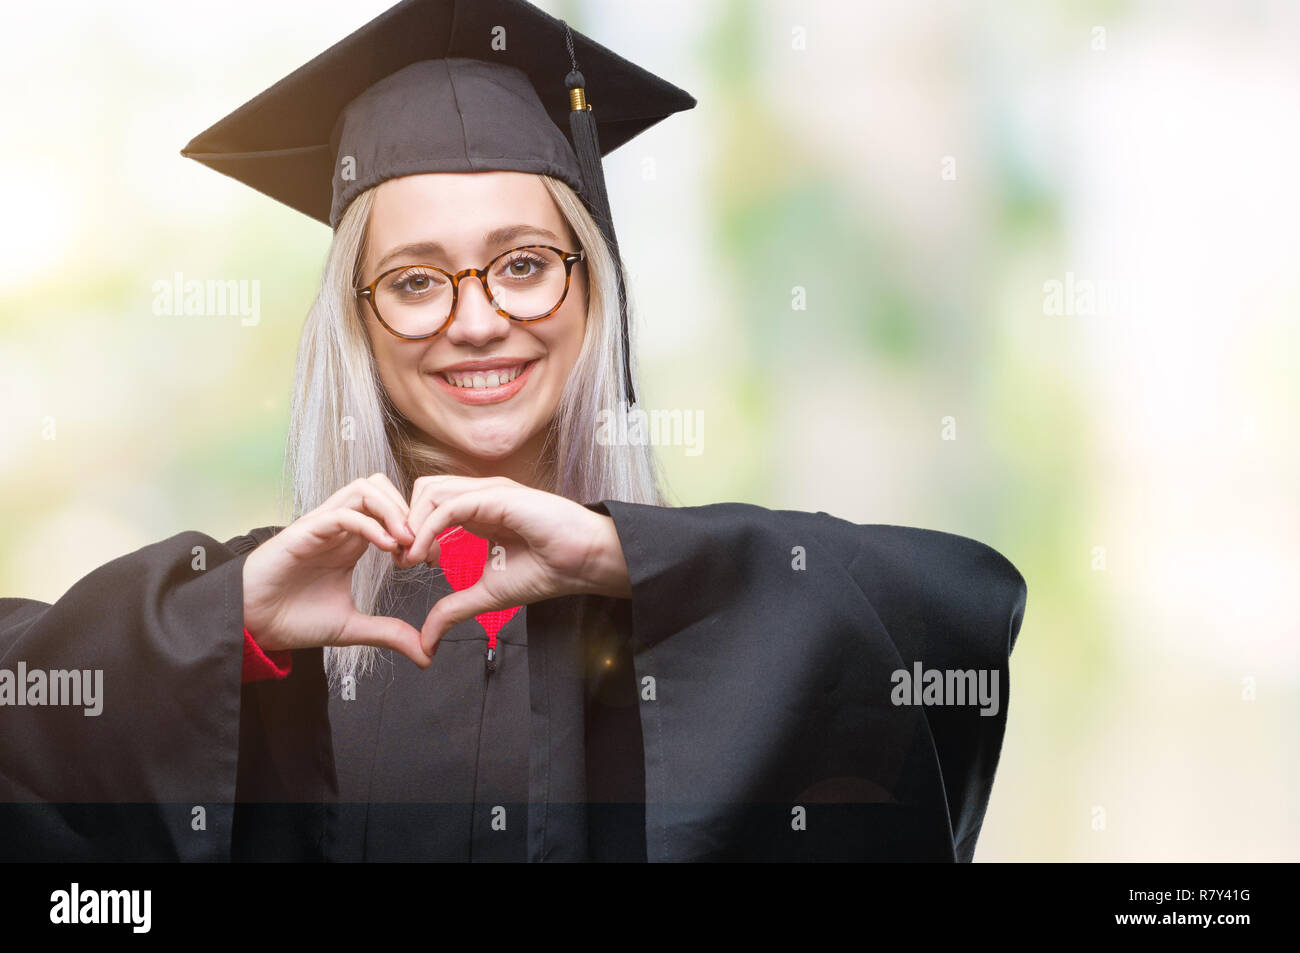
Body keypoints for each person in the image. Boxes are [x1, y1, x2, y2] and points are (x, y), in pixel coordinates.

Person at [0, 0, 1027, 862]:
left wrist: (625, 555)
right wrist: (220, 626)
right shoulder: (277, 627)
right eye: (413, 281)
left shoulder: (711, 606)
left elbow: (955, 608)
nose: (479, 316)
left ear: (592, 286)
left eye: (525, 261)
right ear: (356, 320)